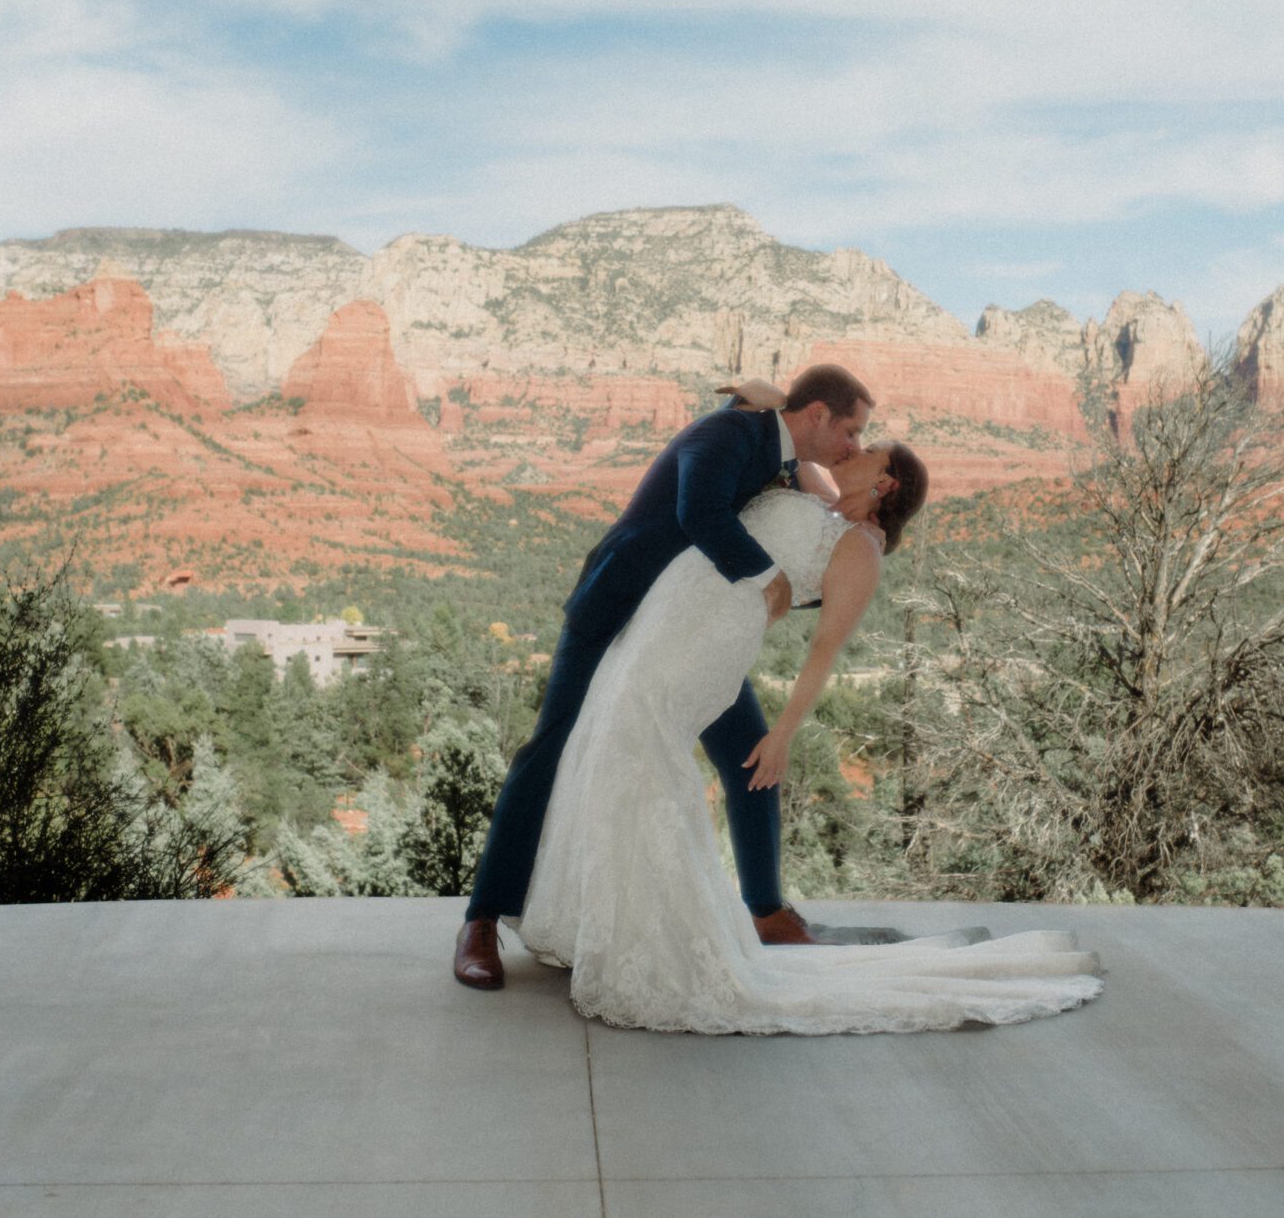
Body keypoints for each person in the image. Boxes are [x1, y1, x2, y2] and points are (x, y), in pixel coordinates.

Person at [510, 417, 1103, 1033]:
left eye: (871, 451)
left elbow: (824, 651)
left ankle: (658, 944)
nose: (857, 448)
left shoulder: (861, 549)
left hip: (702, 646)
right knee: (607, 743)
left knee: (638, 754)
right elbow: (774, 438)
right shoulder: (819, 497)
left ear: (886, 484)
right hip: (666, 620)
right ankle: (600, 924)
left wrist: (782, 736)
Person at [454, 365, 877, 991]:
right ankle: (481, 921)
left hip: (684, 642)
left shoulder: (779, 454)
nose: (856, 446)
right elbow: (698, 509)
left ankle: (766, 911)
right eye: (852, 431)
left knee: (752, 758)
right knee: (550, 750)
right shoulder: (731, 432)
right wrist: (769, 577)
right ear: (817, 415)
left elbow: (822, 503)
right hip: (616, 614)